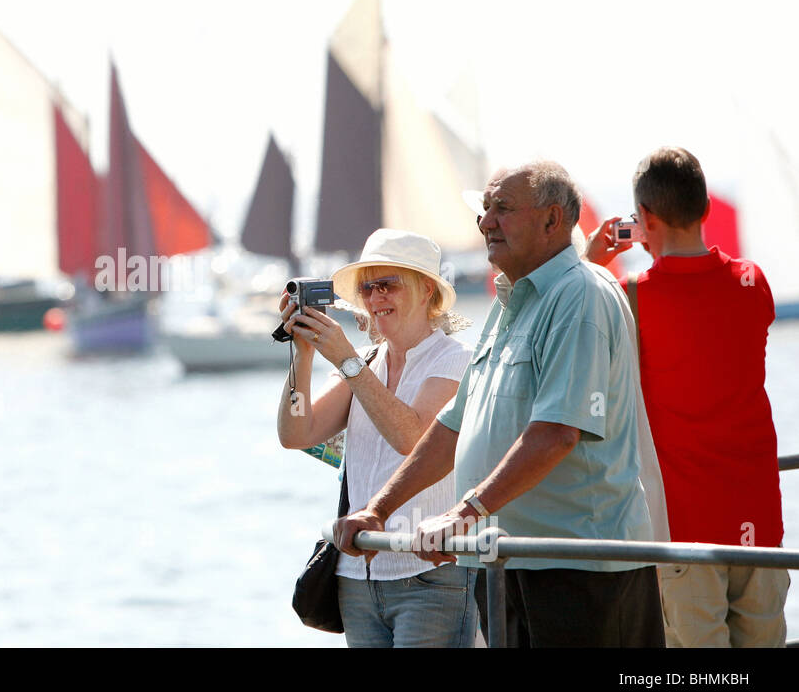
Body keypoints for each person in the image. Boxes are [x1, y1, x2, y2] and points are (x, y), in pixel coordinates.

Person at [336, 162, 664, 648]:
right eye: (485, 210)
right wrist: (378, 509)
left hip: (580, 569)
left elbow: (557, 432)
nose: (486, 222)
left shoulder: (581, 295)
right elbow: (452, 426)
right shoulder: (510, 304)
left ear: (553, 221)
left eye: (502, 209)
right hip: (508, 563)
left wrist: (462, 514)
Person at [586, 146, 786, 648]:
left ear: (644, 218)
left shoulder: (630, 296)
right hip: (759, 520)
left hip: (684, 530)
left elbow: (577, 316)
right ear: (706, 209)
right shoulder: (752, 281)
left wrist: (593, 259)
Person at [277, 228, 476, 648]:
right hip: (357, 576)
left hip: (429, 576)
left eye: (388, 284)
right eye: (367, 287)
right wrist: (303, 353)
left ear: (428, 291)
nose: (374, 297)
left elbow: (413, 439)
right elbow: (296, 433)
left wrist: (347, 361)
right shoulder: (366, 363)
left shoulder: (457, 359)